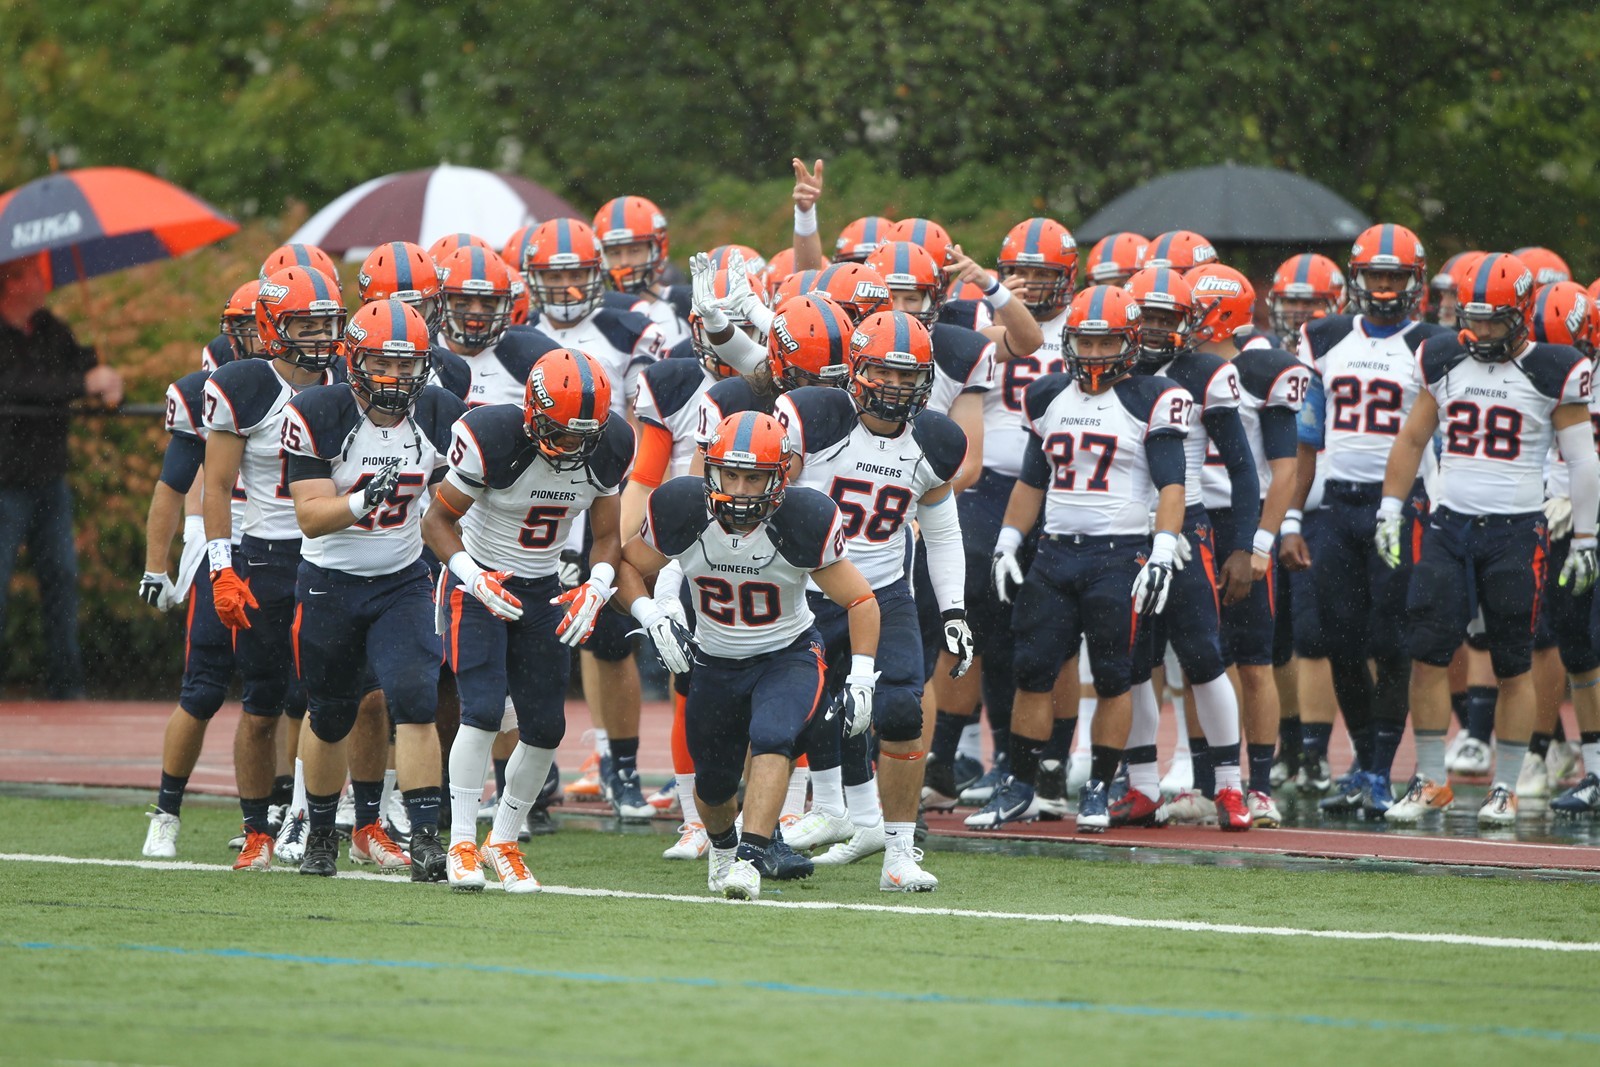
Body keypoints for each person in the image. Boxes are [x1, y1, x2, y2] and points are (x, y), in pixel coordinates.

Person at [614, 410, 880, 901]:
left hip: (787, 655)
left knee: (773, 736)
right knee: (713, 787)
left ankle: (751, 858)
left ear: (778, 477)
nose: (738, 488)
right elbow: (627, 566)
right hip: (713, 661)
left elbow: (860, 599)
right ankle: (722, 845)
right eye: (729, 474)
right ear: (709, 468)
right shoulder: (681, 507)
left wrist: (861, 674)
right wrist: (651, 615)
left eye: (753, 476)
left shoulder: (804, 516)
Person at [1378, 253, 1598, 825]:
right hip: (1448, 525)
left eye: (1495, 318)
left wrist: (1586, 537)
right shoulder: (1445, 355)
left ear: (1523, 313)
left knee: (1512, 663)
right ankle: (1428, 778)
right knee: (1427, 654)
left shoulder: (1555, 368)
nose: (1482, 329)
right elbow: (1410, 439)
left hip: (1515, 531)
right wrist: (1389, 508)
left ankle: (1506, 785)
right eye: (1474, 316)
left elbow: (1582, 462)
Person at [970, 285, 1190, 832]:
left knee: (1114, 677)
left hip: (1120, 555)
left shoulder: (1152, 397)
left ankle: (1097, 787)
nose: (1092, 354)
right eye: (1084, 343)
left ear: (1129, 341)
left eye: (1105, 342)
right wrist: (1007, 541)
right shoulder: (1045, 395)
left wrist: (1163, 547)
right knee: (1032, 671)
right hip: (1054, 552)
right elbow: (1031, 481)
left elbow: (1172, 484)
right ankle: (1021, 784)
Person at [423, 348, 631, 891]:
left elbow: (607, 535)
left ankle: (504, 841)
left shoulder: (608, 445)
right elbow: (437, 521)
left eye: (582, 436)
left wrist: (600, 583)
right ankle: (462, 842)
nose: (571, 447)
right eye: (560, 433)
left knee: (546, 727)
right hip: (481, 581)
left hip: (543, 589)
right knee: (484, 711)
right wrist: (471, 575)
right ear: (533, 413)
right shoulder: (492, 436)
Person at [774, 311, 970, 887]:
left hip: (885, 594)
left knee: (900, 710)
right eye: (886, 372)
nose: (898, 388)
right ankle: (788, 828)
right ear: (857, 370)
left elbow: (943, 531)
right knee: (797, 716)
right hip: (805, 589)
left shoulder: (935, 440)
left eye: (910, 378)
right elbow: (769, 498)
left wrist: (955, 609)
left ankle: (898, 852)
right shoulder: (815, 418)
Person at [280, 298, 466, 878]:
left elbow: (451, 505)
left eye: (409, 365)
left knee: (414, 703)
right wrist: (364, 499)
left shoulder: (439, 411)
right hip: (330, 582)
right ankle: (319, 836)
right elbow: (310, 516)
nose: (397, 377)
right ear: (353, 360)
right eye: (384, 363)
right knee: (331, 713)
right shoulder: (317, 410)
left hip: (401, 579)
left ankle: (427, 839)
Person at [201, 265, 342, 869]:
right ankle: (257, 826)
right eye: (304, 324)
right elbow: (217, 486)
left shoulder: (348, 382)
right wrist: (219, 567)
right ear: (271, 327)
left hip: (331, 554)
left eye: (326, 323)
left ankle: (315, 818)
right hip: (266, 554)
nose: (317, 336)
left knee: (325, 698)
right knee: (260, 702)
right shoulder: (242, 385)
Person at [135, 280, 260, 856]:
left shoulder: (323, 382)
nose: (256, 335)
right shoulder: (210, 386)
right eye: (248, 323)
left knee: (280, 694)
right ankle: (166, 809)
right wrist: (157, 566)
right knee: (204, 687)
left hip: (289, 549)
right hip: (222, 543)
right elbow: (172, 486)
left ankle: (273, 815)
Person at [0, 255, 121, 698]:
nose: (42, 281)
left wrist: (104, 375)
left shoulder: (51, 327)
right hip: (5, 481)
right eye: (32, 274)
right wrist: (81, 383)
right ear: (11, 284)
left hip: (49, 477)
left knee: (61, 578)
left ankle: (66, 686)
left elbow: (79, 366)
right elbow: (19, 386)